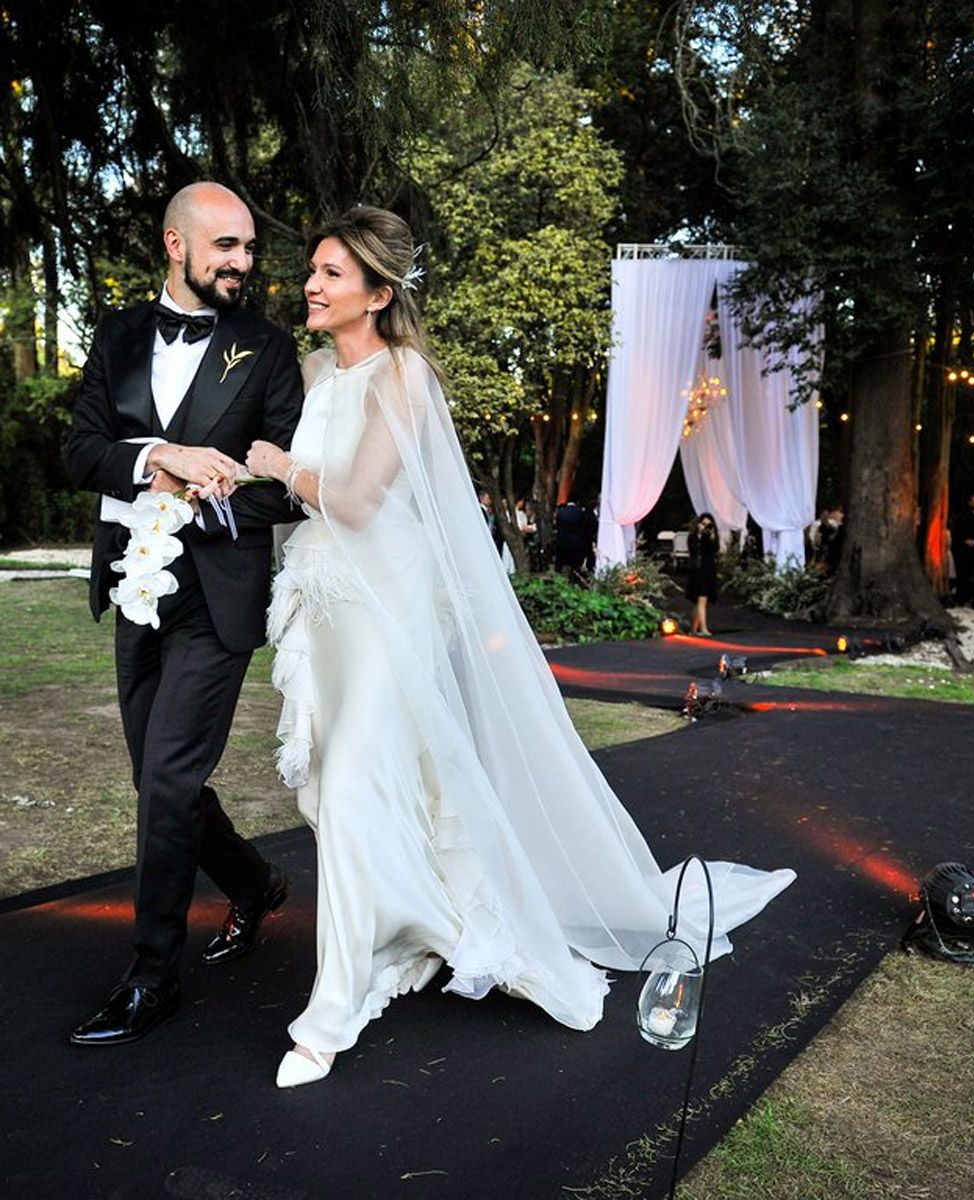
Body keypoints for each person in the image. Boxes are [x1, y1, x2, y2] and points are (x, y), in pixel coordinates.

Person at [244, 206, 795, 1087]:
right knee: (357, 789)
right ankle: (419, 924)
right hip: (326, 610)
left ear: (379, 294)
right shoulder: (313, 369)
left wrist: (276, 464)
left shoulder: (405, 376)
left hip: (390, 603)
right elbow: (295, 487)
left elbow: (351, 501)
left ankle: (331, 1014)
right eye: (311, 268)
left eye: (332, 274)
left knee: (351, 786)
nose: (311, 283)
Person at [64, 182, 304, 1046]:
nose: (243, 262)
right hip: (136, 584)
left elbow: (291, 486)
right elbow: (80, 450)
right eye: (226, 247)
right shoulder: (120, 336)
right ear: (176, 245)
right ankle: (252, 883)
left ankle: (150, 976)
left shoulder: (269, 350)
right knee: (157, 781)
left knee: (166, 780)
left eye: (248, 248)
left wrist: (221, 488)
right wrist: (159, 456)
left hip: (217, 596)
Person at [686, 511, 720, 635]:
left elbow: (715, 549)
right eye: (703, 524)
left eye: (708, 525)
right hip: (697, 571)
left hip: (708, 570)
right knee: (701, 599)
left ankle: (694, 630)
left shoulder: (711, 536)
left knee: (700, 602)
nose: (705, 527)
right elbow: (693, 550)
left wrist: (711, 537)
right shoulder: (693, 537)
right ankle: (703, 628)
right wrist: (699, 535)